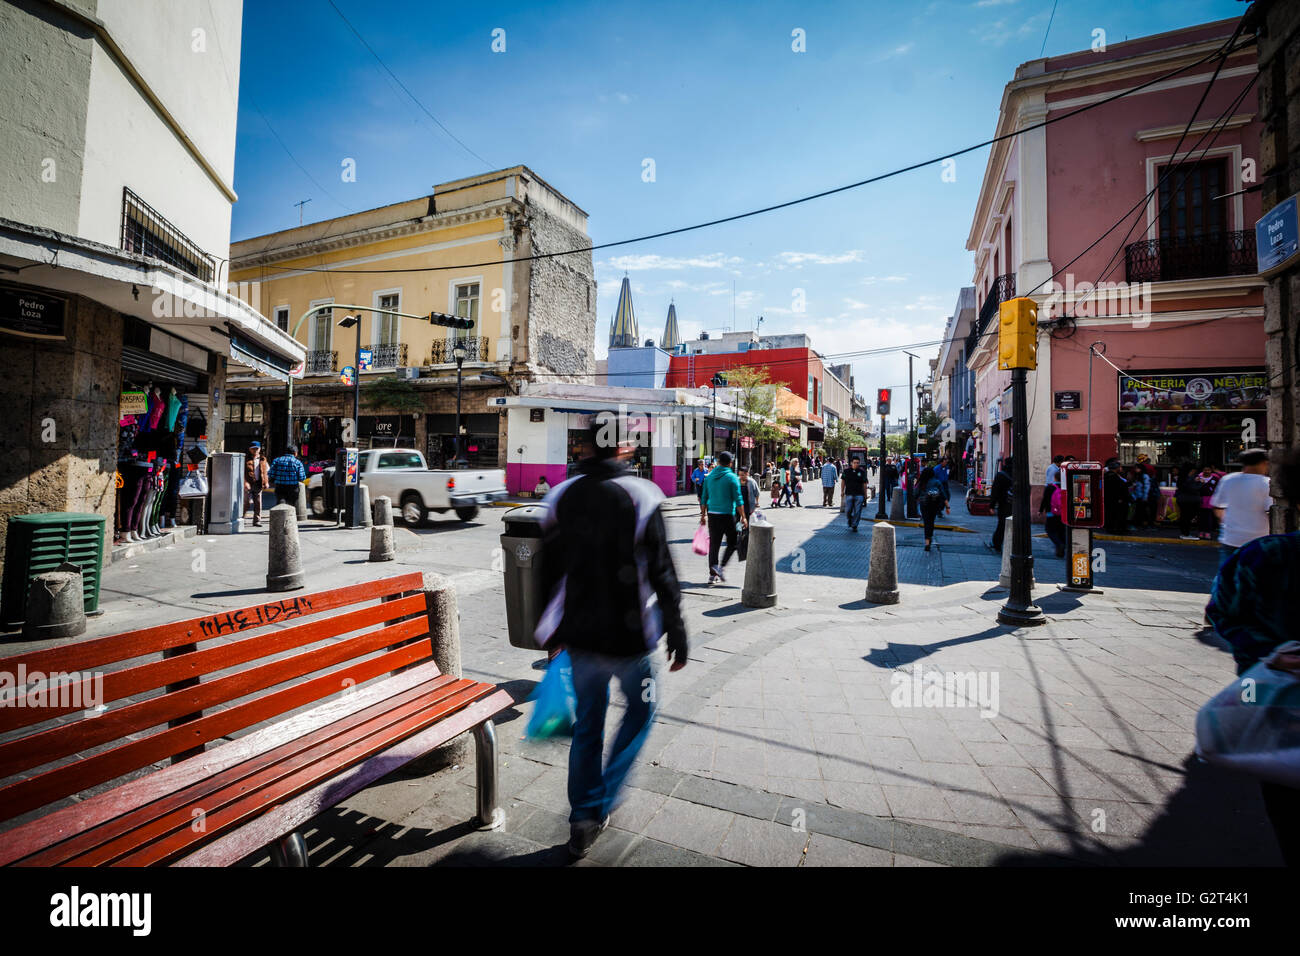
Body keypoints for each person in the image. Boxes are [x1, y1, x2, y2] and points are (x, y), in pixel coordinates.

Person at [535, 413, 688, 858]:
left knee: (587, 726)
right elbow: (663, 572)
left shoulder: (559, 496)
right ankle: (602, 799)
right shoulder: (642, 495)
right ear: (622, 448)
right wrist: (677, 632)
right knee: (641, 713)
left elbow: (547, 574)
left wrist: (551, 635)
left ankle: (583, 814)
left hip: (580, 639)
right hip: (631, 639)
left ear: (584, 447)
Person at [1205, 447, 1300, 866]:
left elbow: (1224, 613)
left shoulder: (1268, 558)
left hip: (1281, 717)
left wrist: (1269, 657)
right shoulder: (1271, 555)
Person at [1210, 448, 1272, 568]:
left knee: (1228, 578)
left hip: (1230, 538)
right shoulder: (1266, 483)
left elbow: (1217, 506)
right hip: (1258, 540)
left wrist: (1227, 523)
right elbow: (1270, 511)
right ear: (1263, 463)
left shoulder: (1228, 480)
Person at [699, 451, 748, 585]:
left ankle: (712, 574)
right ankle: (721, 567)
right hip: (727, 514)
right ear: (730, 463)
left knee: (714, 544)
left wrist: (703, 515)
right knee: (732, 542)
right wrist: (743, 517)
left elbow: (704, 498)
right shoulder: (732, 478)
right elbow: (738, 500)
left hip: (712, 514)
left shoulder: (708, 477)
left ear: (718, 462)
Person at [918, 464, 950, 552]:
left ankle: (927, 542)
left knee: (926, 522)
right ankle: (930, 536)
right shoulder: (937, 482)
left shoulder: (922, 482)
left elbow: (915, 494)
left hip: (924, 505)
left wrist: (918, 500)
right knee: (931, 521)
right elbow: (943, 495)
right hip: (934, 504)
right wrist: (947, 506)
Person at [989, 458, 1013, 552]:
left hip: (1004, 504)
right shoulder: (1020, 474)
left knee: (1002, 525)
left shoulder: (1001, 475)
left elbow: (995, 491)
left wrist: (992, 505)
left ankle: (997, 543)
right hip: (1016, 505)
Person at [1174, 462, 1203, 540]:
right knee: (1187, 517)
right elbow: (1193, 488)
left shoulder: (1182, 477)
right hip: (1189, 500)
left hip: (1182, 499)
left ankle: (1184, 532)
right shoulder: (1190, 478)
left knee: (1184, 516)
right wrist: (1200, 483)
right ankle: (1185, 533)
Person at [244, 442, 270, 527]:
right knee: (246, 503)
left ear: (259, 449)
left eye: (256, 448)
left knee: (258, 503)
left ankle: (257, 521)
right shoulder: (246, 459)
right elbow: (241, 472)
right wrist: (245, 482)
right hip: (248, 483)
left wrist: (266, 482)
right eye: (253, 448)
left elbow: (266, 472)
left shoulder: (263, 459)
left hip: (258, 483)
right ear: (250, 449)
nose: (255, 450)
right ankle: (241, 519)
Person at [1102, 459, 1129, 535]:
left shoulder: (1107, 476)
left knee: (1111, 515)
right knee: (1116, 515)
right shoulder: (1113, 477)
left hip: (1111, 499)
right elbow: (1120, 488)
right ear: (1116, 468)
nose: (1121, 469)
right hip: (1116, 500)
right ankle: (1116, 529)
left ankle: (1112, 528)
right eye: (1120, 467)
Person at [841, 456, 868, 532]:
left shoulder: (862, 472)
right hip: (849, 494)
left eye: (857, 463)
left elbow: (864, 484)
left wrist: (865, 494)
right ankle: (850, 519)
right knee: (848, 510)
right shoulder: (846, 471)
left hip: (859, 494)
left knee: (858, 511)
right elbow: (843, 481)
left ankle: (855, 525)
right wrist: (842, 491)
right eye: (854, 463)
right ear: (851, 463)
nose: (856, 464)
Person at [1045, 482, 1067, 558]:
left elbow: (1045, 499)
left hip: (1052, 513)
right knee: (1061, 531)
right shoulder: (1065, 486)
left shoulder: (1050, 487)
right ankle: (1061, 551)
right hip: (1063, 513)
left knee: (1050, 530)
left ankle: (1059, 544)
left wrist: (1041, 510)